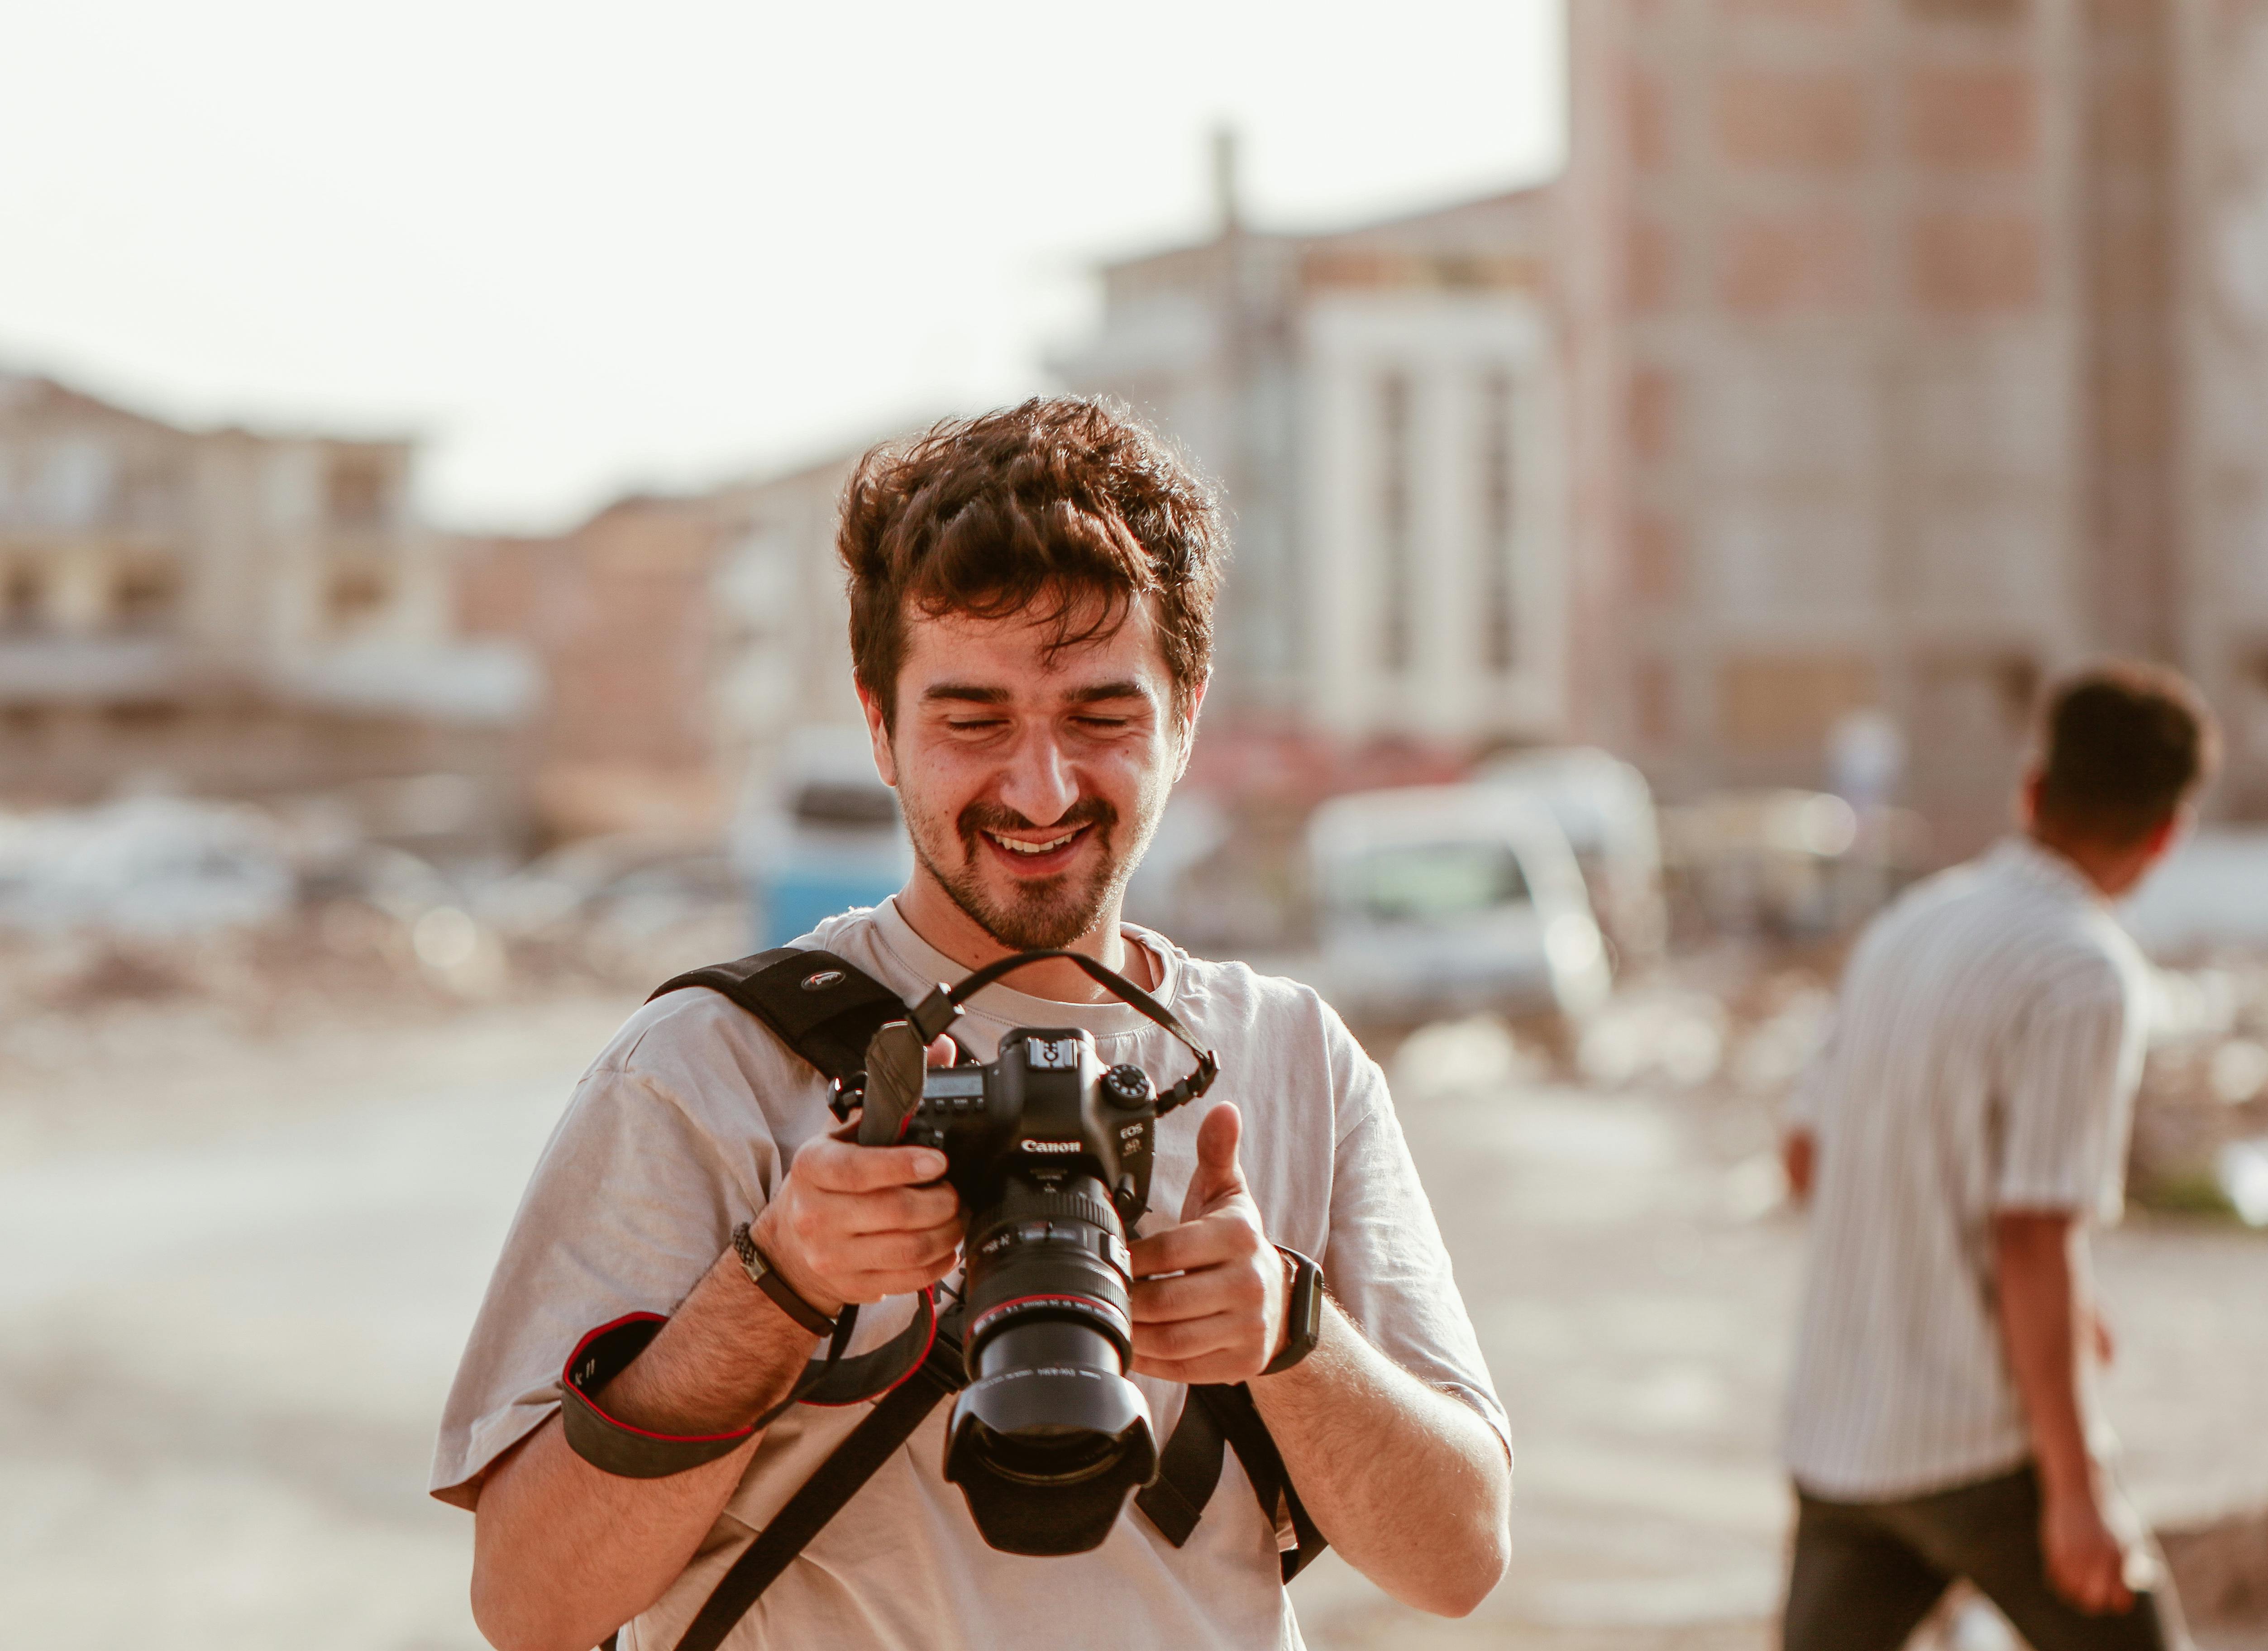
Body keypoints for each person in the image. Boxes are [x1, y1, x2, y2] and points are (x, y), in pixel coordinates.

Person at [432, 398, 1513, 1650]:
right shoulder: (707, 1070)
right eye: (973, 719)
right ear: (880, 724)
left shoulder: (1288, 1060)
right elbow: (528, 1604)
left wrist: (1287, 1331)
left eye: (1102, 715)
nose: (1041, 786)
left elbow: (1461, 1559)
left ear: (1188, 715)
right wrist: (779, 1285)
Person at [1776, 664, 2217, 1651]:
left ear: (2031, 790)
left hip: (1839, 1442)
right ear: (2163, 839)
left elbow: (1806, 1157)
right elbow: (2034, 1235)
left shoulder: (1905, 928)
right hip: (1978, 1450)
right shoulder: (2084, 971)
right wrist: (2079, 1489)